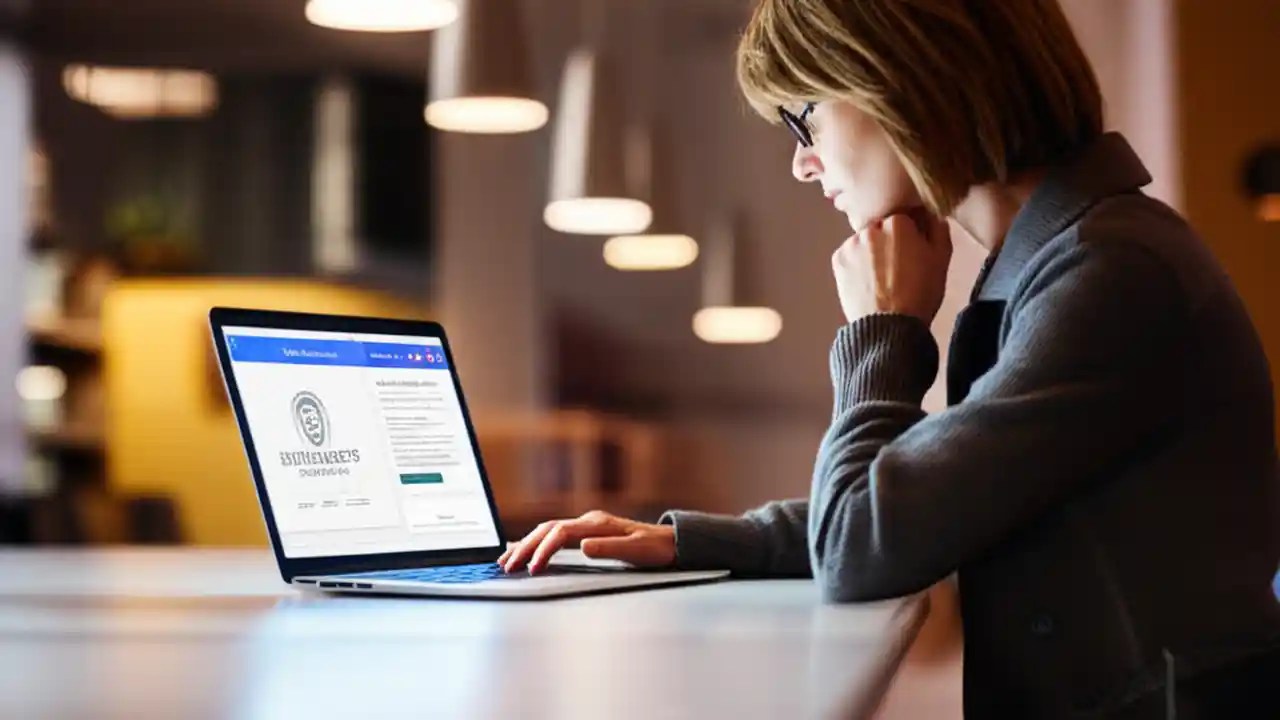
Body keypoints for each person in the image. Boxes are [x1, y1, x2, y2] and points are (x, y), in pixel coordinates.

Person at [501, 0, 1280, 715]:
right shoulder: (1072, 254)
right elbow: (927, 497)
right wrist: (690, 542)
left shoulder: (1107, 273)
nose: (803, 164)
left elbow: (859, 547)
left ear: (900, 81)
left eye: (804, 118)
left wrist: (884, 330)